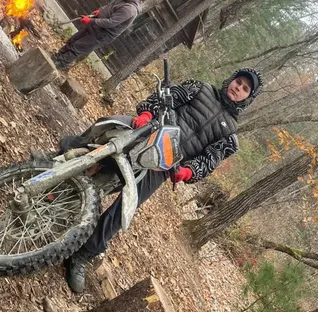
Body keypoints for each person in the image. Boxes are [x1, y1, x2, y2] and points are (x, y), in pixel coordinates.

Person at [62, 67, 263, 292]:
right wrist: (147, 114)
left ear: (248, 97)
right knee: (104, 131)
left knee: (126, 207)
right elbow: (167, 97)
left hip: (165, 164)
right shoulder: (201, 88)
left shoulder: (230, 137)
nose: (238, 88)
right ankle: (57, 165)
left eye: (245, 89)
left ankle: (83, 254)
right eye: (238, 82)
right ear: (231, 80)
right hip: (148, 133)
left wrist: (188, 172)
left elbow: (208, 161)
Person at [51, 0, 143, 71]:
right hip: (96, 24)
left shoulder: (129, 9)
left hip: (103, 34)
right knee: (74, 39)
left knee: (78, 47)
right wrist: (100, 10)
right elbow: (109, 6)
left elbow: (111, 23)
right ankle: (57, 56)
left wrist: (90, 21)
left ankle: (60, 64)